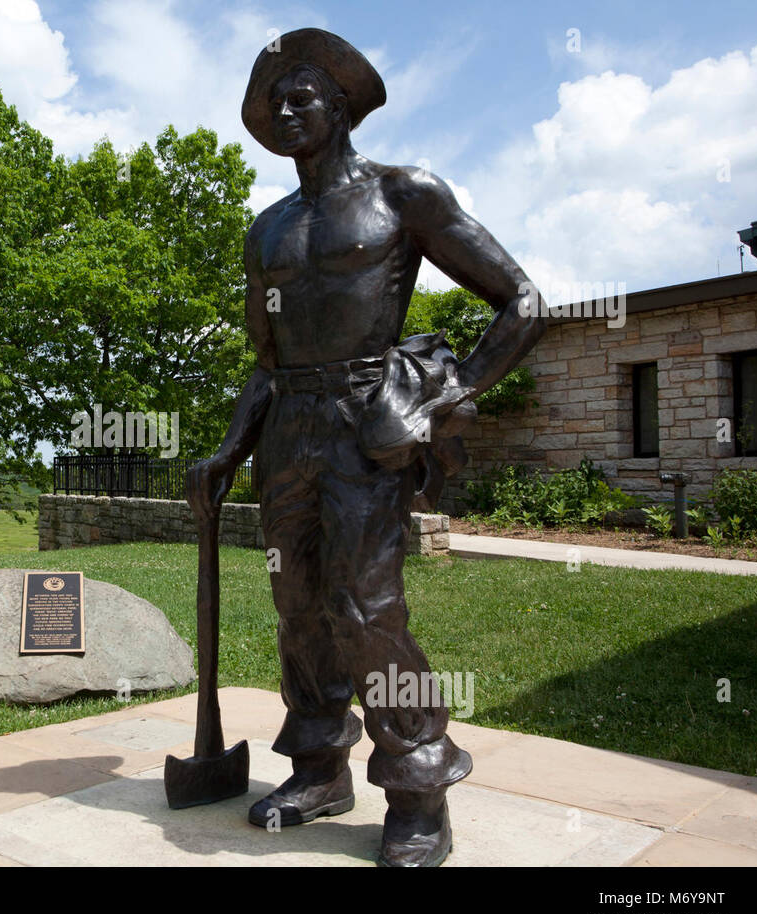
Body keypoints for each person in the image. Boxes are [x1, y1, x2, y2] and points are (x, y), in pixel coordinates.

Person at [188, 28, 547, 866]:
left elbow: (522, 303)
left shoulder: (404, 193)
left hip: (364, 424)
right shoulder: (267, 232)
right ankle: (318, 766)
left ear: (342, 105)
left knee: (366, 608)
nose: (285, 111)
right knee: (299, 603)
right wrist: (227, 450)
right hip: (289, 431)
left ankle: (419, 785)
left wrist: (447, 401)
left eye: (301, 96)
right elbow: (266, 363)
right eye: (272, 103)